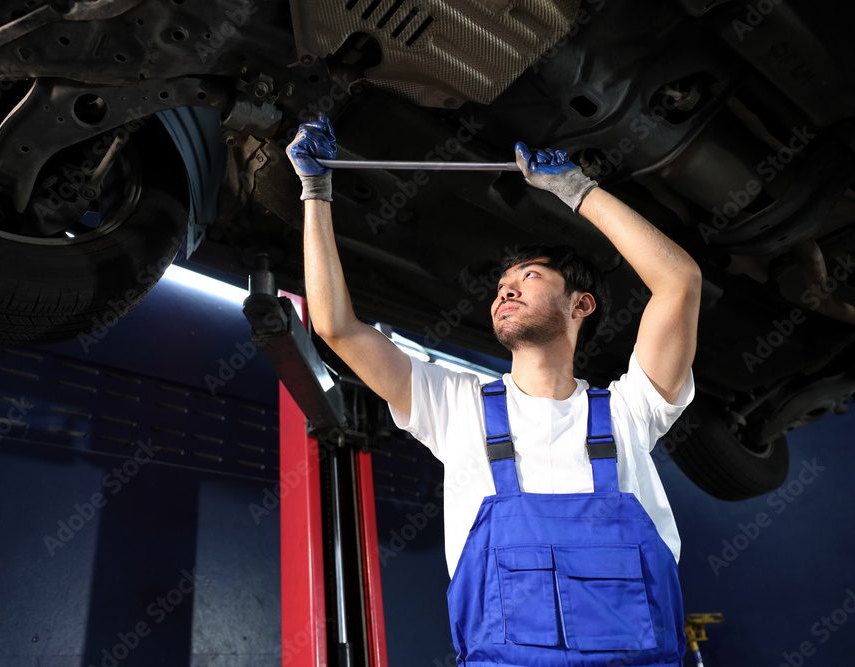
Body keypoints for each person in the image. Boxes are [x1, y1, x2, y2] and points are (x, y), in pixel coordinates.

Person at [288, 113, 701, 666]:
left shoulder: (632, 409)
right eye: (502, 287)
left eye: (529, 278)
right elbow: (336, 328)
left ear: (581, 305)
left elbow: (679, 281)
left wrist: (577, 191)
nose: (505, 291)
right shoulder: (455, 405)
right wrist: (316, 194)